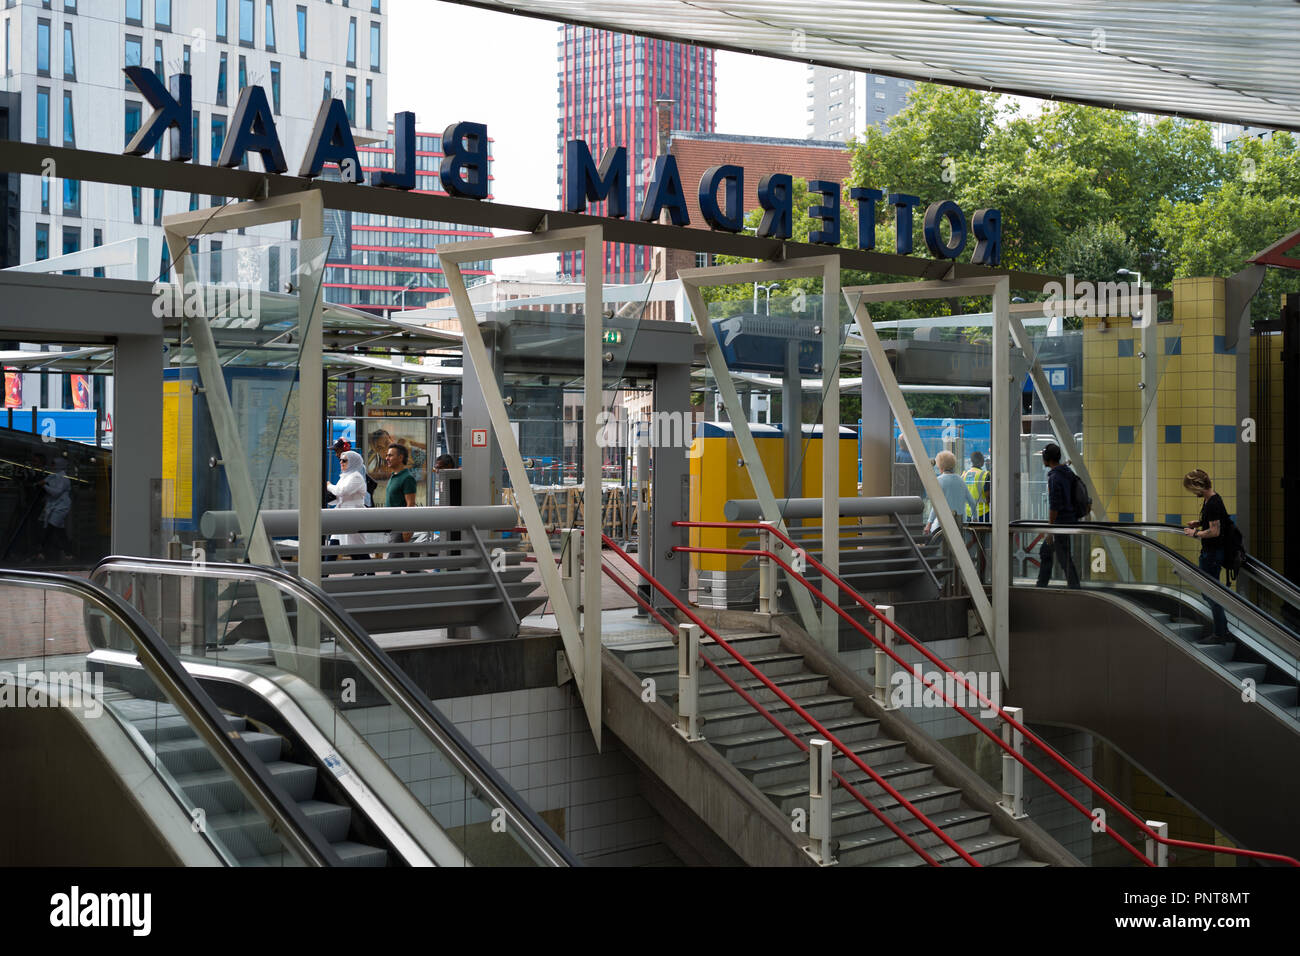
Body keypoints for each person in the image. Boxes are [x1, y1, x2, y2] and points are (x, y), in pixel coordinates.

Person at [1183, 469, 1231, 642]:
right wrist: (1200, 523)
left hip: (1212, 554)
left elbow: (1215, 531)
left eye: (1191, 489)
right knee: (1209, 592)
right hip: (1211, 552)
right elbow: (1212, 524)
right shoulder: (1210, 499)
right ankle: (1222, 629)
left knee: (1210, 593)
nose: (1192, 493)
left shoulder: (1213, 503)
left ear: (1198, 486)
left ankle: (1220, 633)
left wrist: (1195, 533)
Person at [1036, 443, 1081, 589]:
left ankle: (1044, 587)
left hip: (1060, 523)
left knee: (1060, 556)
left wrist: (1050, 530)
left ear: (1046, 459)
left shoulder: (1054, 477)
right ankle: (1072, 586)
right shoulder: (1066, 472)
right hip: (1071, 519)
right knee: (1057, 554)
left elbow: (1054, 506)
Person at [326, 450, 370, 565]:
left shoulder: (356, 477)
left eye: (344, 460)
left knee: (358, 550)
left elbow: (342, 491)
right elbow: (338, 497)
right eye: (340, 460)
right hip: (342, 516)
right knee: (334, 546)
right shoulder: (344, 477)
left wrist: (329, 486)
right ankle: (323, 575)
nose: (341, 462)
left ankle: (370, 575)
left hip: (353, 517)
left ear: (353, 462)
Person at [925, 450, 977, 536]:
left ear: (940, 465)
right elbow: (972, 502)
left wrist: (929, 524)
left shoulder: (939, 481)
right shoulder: (961, 480)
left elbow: (936, 505)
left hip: (942, 526)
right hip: (960, 525)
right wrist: (974, 518)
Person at [384, 442, 418, 562]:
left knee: (393, 561)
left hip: (399, 525)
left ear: (400, 457)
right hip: (391, 525)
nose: (387, 458)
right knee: (400, 563)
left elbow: (410, 504)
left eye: (390, 455)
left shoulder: (407, 478)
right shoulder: (394, 475)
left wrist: (407, 528)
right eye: (387, 455)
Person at [37, 458, 73, 562]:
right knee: (59, 530)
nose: (52, 466)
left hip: (61, 507)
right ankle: (68, 553)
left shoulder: (63, 478)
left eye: (54, 464)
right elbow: (45, 481)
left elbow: (56, 492)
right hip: (53, 506)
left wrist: (44, 486)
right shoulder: (52, 475)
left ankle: (41, 551)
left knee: (50, 527)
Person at [962, 450, 991, 521]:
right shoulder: (985, 475)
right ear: (982, 462)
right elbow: (988, 497)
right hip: (983, 512)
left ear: (972, 461)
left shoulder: (964, 474)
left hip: (968, 512)